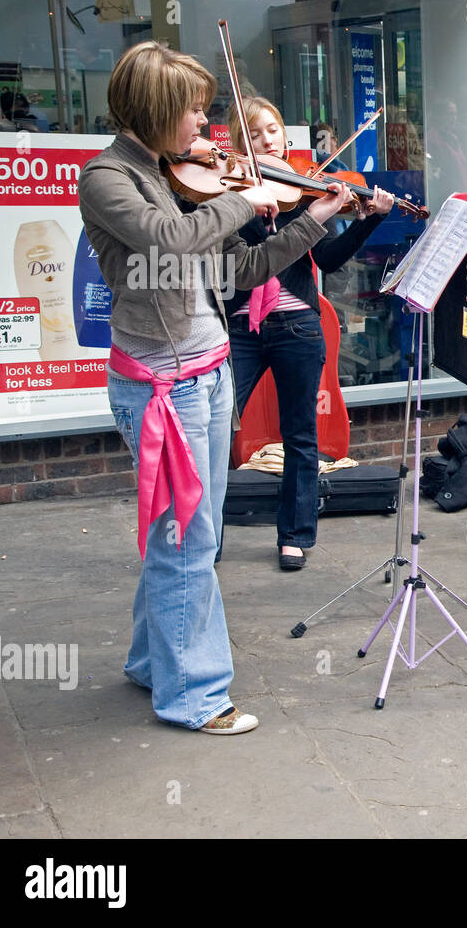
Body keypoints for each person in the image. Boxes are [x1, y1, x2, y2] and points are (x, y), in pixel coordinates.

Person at [77, 41, 349, 734]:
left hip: (208, 371)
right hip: (160, 386)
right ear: (157, 110)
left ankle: (150, 661)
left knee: (184, 535)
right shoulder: (109, 178)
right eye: (195, 113)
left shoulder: (189, 177)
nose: (206, 128)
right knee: (188, 542)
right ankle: (193, 696)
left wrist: (313, 218)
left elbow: (246, 270)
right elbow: (166, 241)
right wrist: (247, 196)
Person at [227, 97, 394, 571]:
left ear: (285, 137)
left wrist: (370, 218)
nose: (267, 140)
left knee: (300, 433)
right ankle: (206, 536)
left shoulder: (301, 192)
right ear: (243, 144)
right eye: (256, 134)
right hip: (242, 325)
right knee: (219, 423)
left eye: (274, 131)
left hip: (296, 324)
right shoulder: (233, 195)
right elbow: (246, 258)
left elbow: (327, 260)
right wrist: (274, 210)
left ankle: (294, 535)